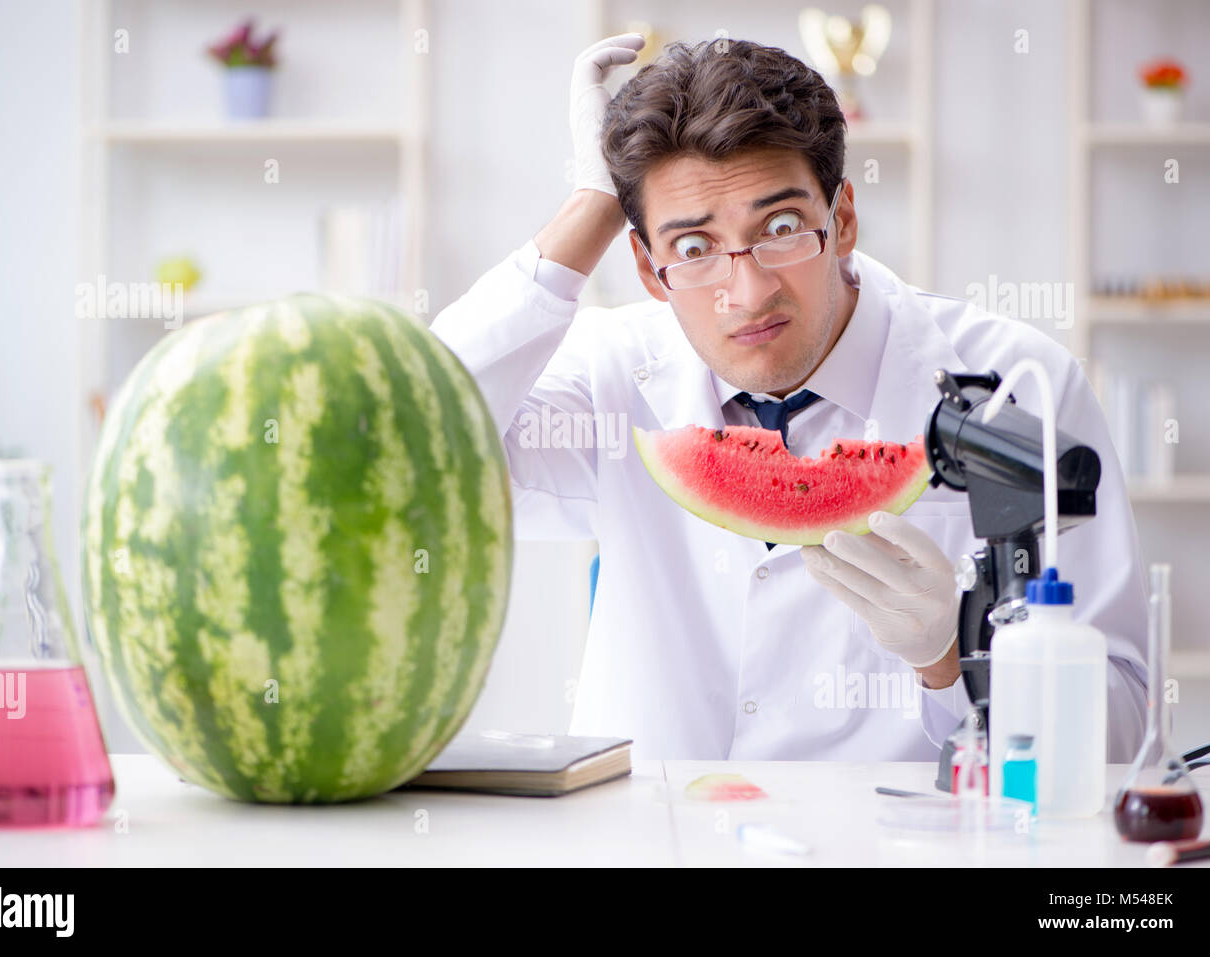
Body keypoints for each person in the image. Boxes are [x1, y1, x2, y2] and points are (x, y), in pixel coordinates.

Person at [430, 35, 1149, 761]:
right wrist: (592, 205)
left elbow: (1124, 734)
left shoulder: (1021, 387)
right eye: (693, 247)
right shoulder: (611, 374)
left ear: (841, 221)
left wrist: (953, 662)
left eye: (779, 230)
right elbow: (420, 448)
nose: (748, 294)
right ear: (648, 270)